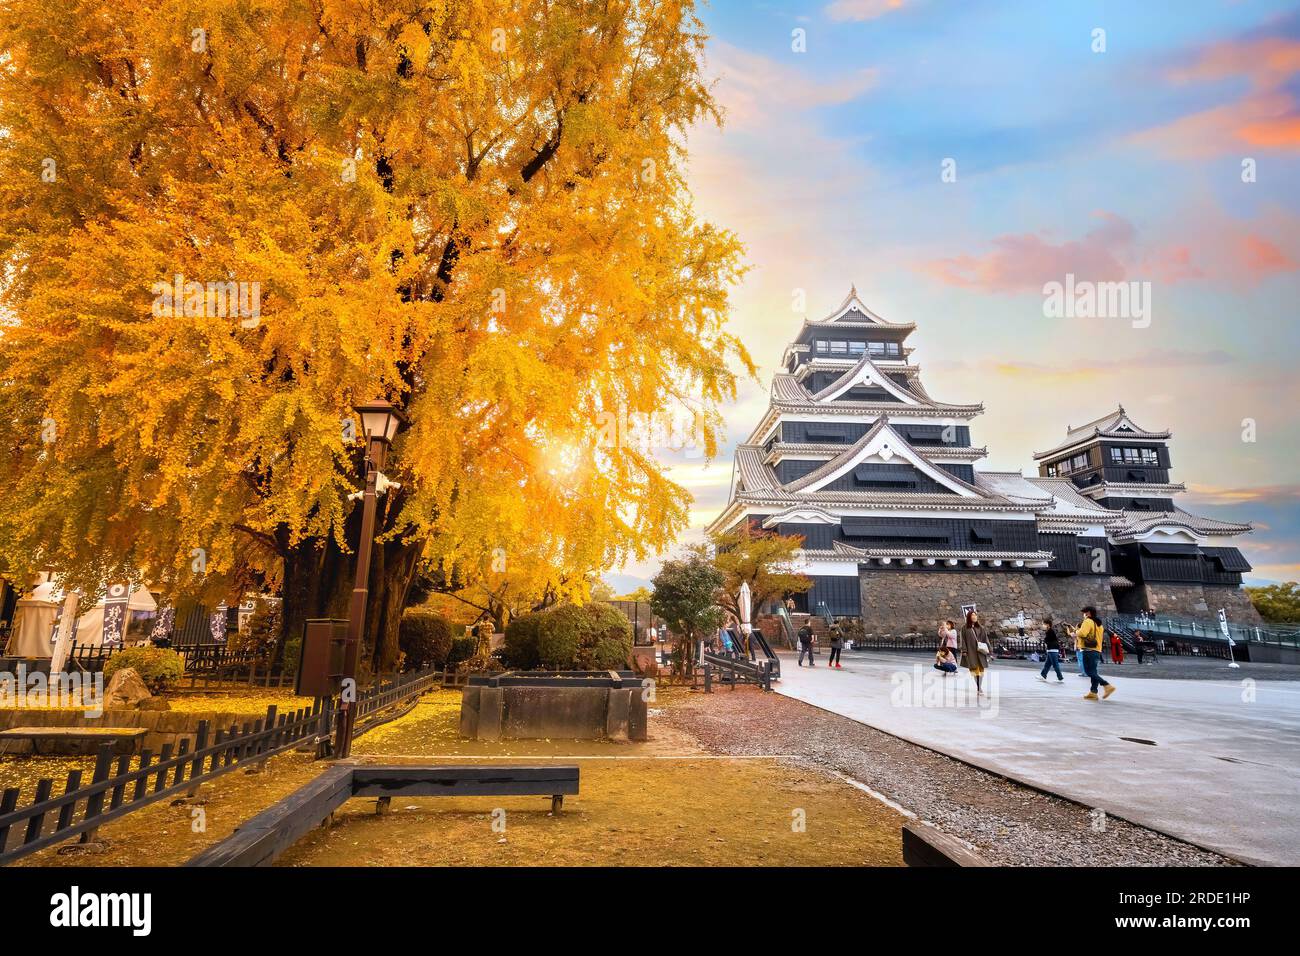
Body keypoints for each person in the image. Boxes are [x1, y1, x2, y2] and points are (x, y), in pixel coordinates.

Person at [1077, 606, 1115, 700]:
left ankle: (1107, 685)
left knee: (1088, 671)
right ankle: (1093, 692)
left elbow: (1083, 633)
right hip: (1097, 650)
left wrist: (1076, 632)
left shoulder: (1087, 621)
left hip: (1088, 650)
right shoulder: (1099, 624)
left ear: (1088, 613)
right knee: (1093, 672)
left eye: (1084, 612)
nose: (1083, 615)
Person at [958, 609, 991, 696]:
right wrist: (964, 650)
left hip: (980, 652)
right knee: (974, 670)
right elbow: (963, 640)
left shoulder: (981, 628)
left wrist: (990, 650)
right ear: (969, 617)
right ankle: (979, 688)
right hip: (970, 652)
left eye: (975, 615)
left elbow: (985, 639)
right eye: (972, 615)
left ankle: (979, 687)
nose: (974, 617)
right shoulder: (964, 628)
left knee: (981, 671)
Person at [1037, 616, 1064, 683]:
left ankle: (1060, 678)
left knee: (1055, 665)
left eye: (1043, 624)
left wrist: (1045, 640)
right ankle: (1043, 675)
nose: (1043, 625)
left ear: (1047, 624)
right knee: (1047, 664)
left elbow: (1050, 640)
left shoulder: (1050, 631)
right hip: (1051, 649)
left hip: (1053, 649)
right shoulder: (1049, 631)